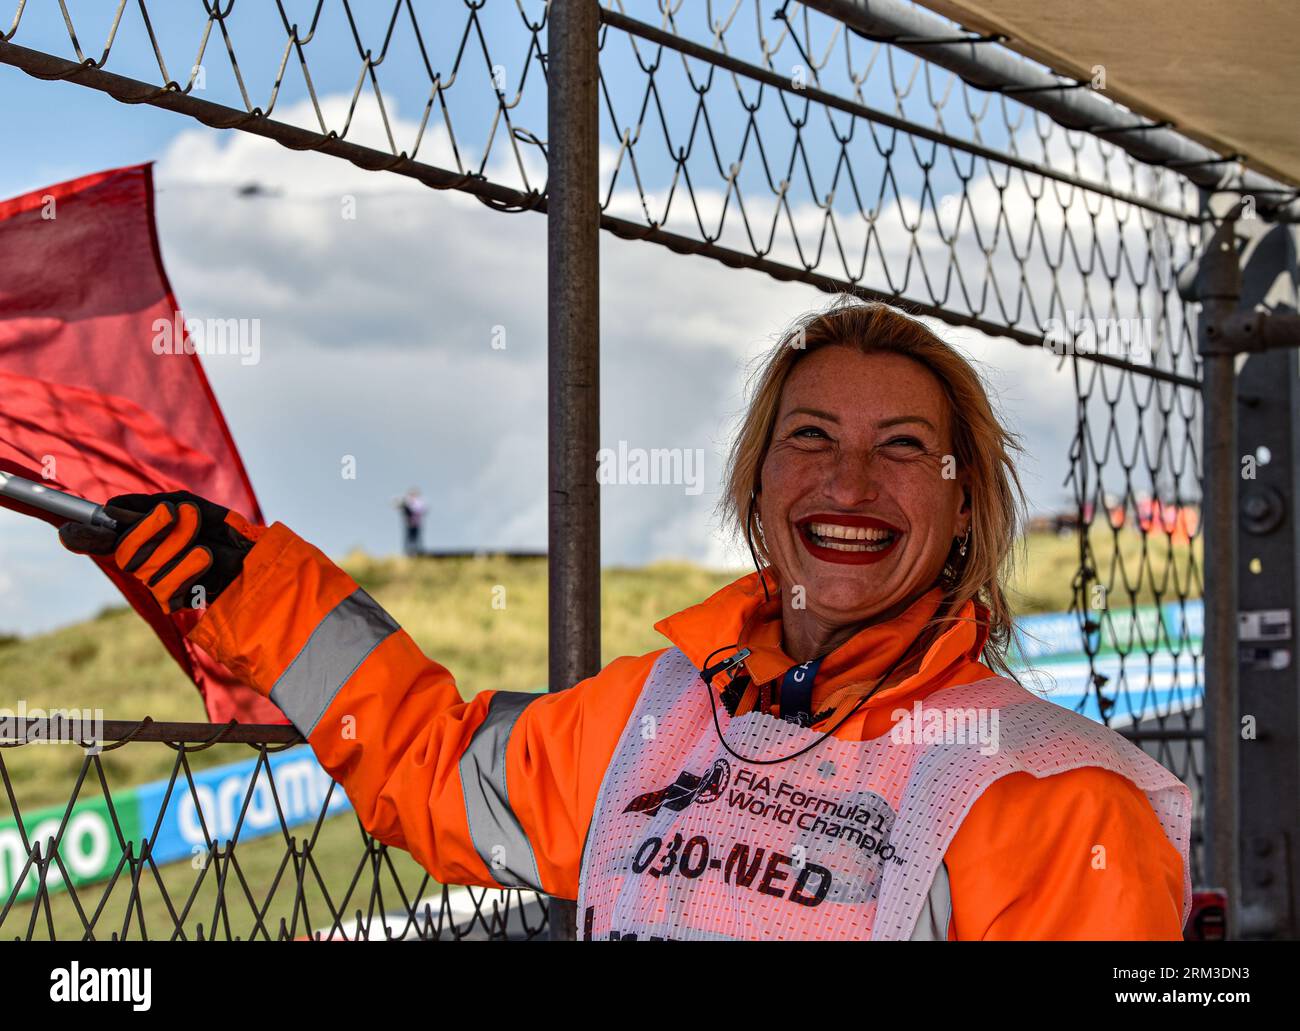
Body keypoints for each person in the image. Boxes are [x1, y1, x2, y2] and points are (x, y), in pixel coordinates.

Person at [60, 298, 1191, 940]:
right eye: (808, 439)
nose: (848, 482)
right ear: (754, 490)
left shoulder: (1056, 801)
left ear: (963, 509)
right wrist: (246, 584)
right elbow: (434, 768)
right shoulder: (656, 717)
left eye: (902, 447)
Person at [397, 487, 426, 556]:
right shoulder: (408, 502)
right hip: (410, 524)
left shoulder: (418, 502)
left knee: (415, 540)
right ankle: (409, 553)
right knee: (409, 540)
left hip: (415, 524)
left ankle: (417, 552)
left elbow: (420, 511)